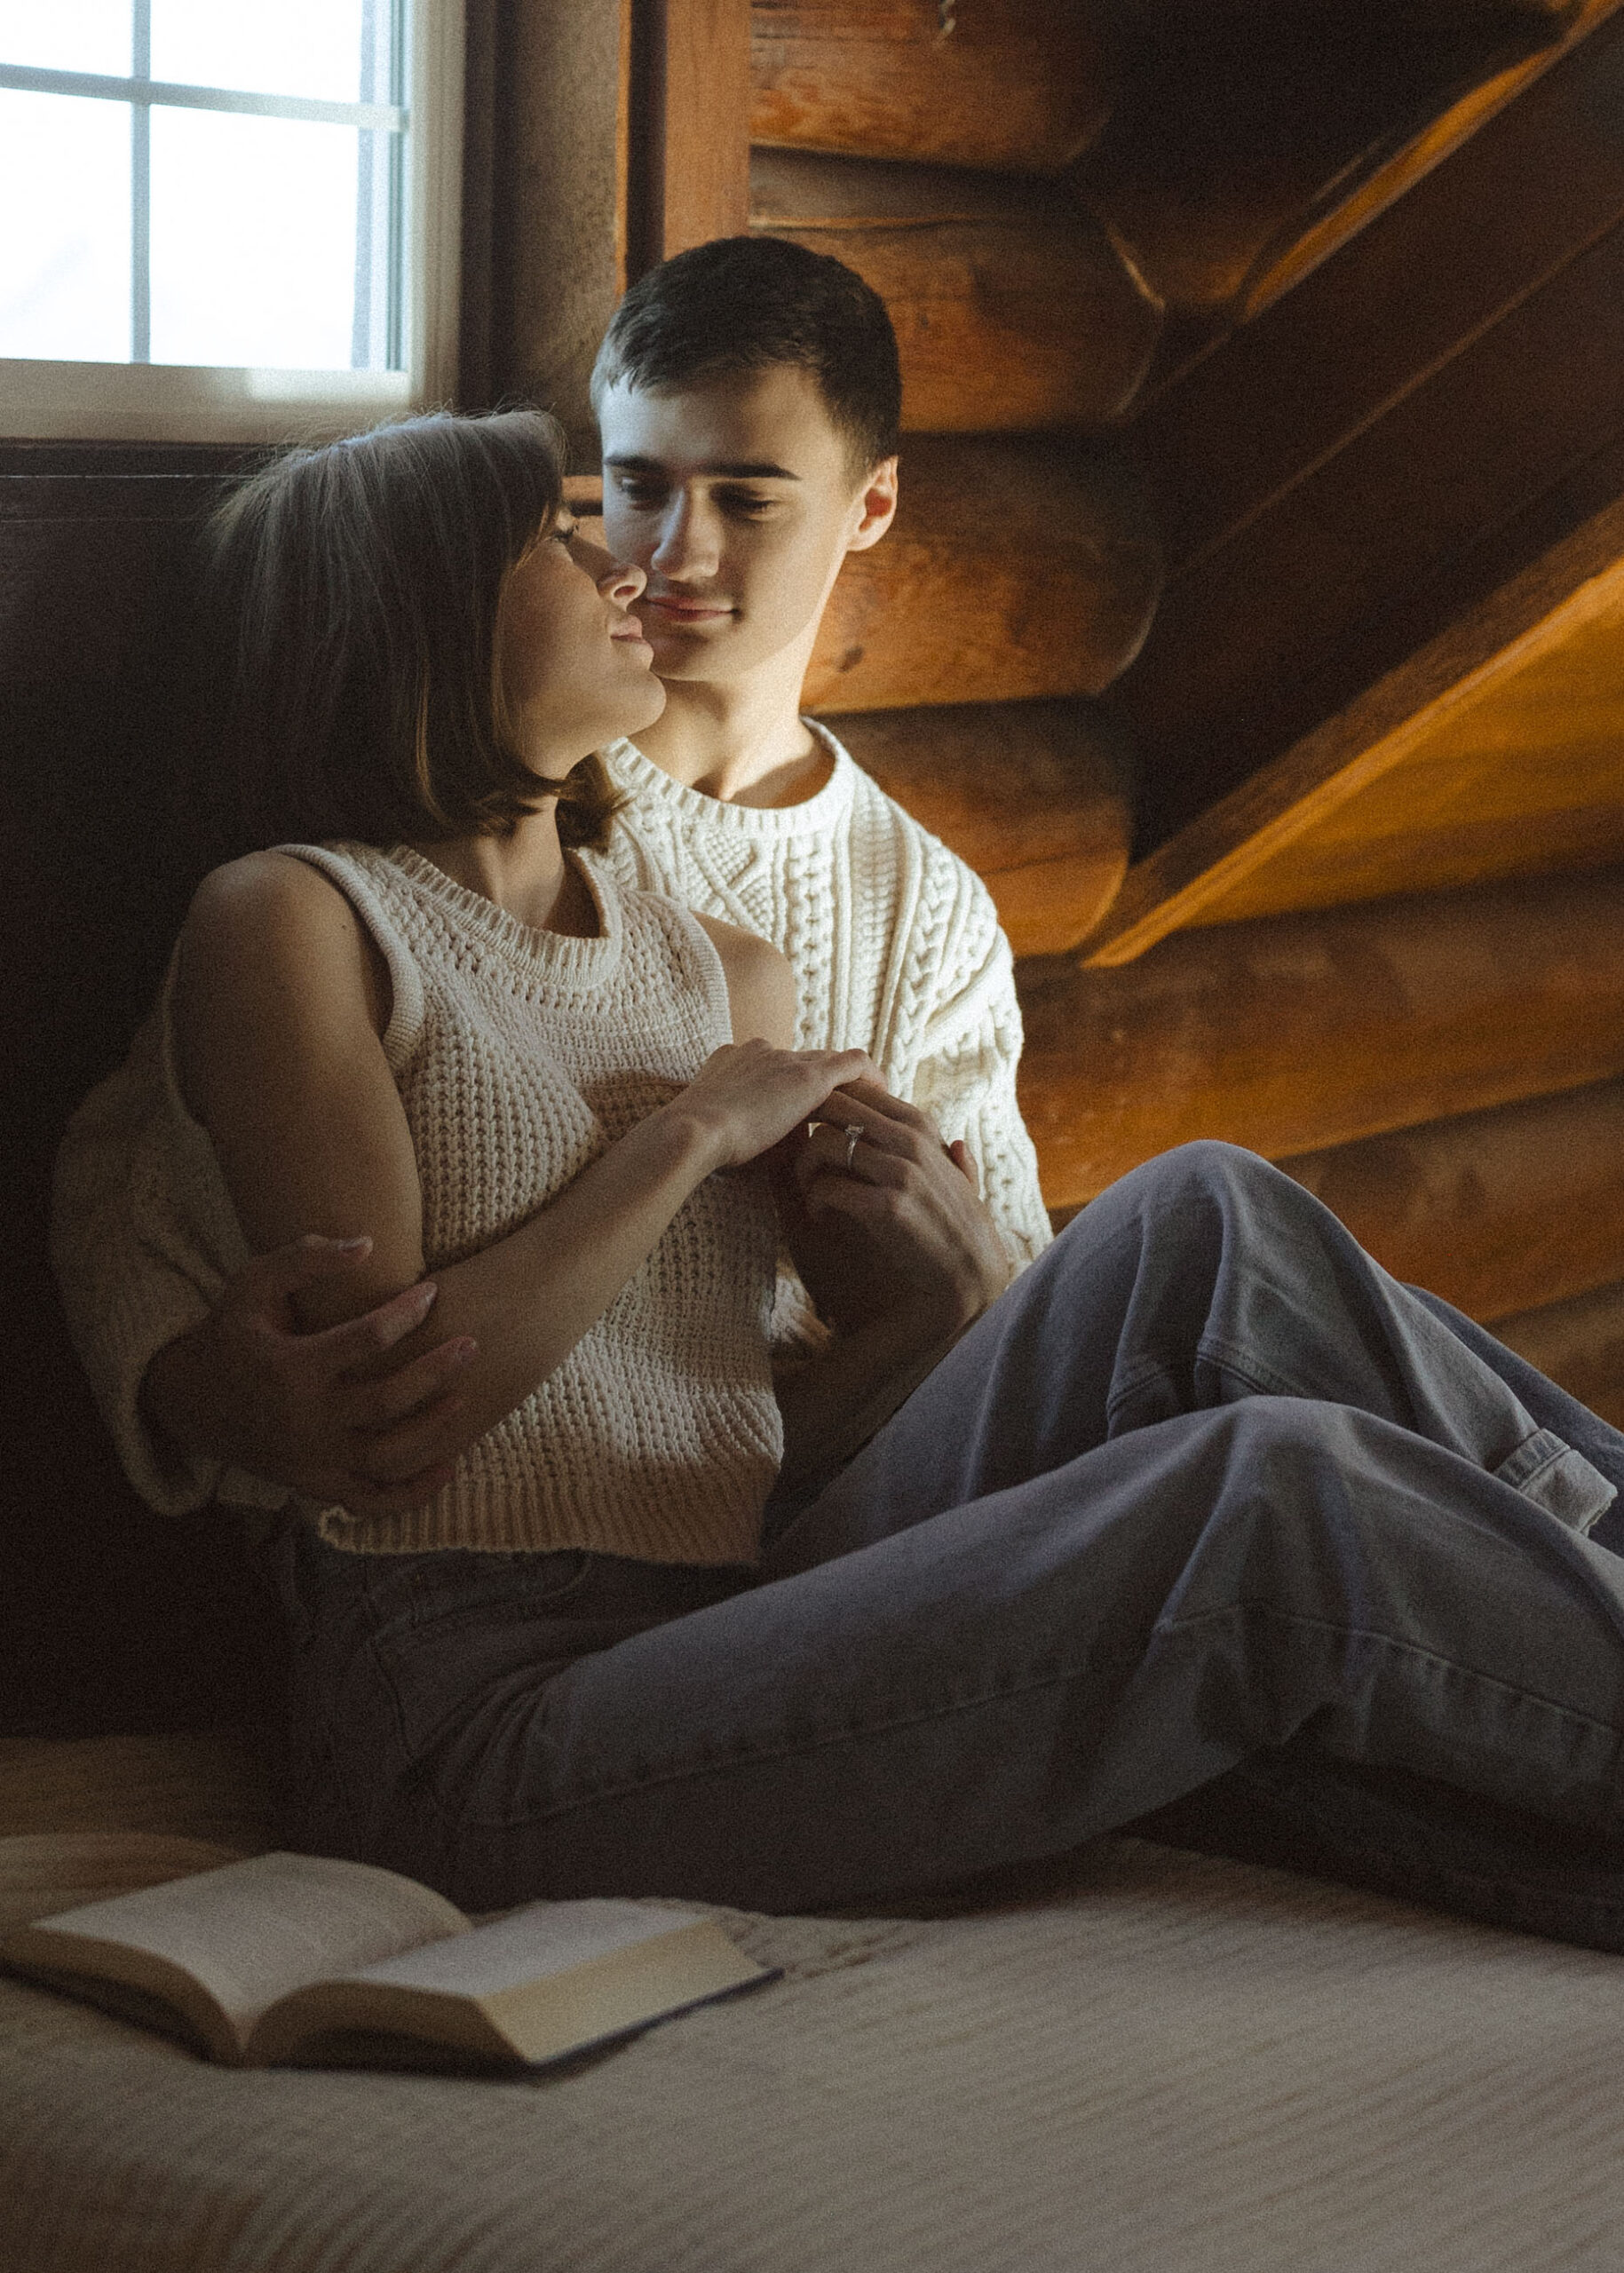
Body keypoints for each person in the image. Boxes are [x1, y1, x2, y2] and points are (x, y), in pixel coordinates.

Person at [52, 408, 1624, 1948]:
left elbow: (702, 1435)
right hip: (482, 1706)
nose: (617, 563)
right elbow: (395, 1417)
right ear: (402, 618)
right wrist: (682, 1140)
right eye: (550, 532)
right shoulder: (296, 917)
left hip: (737, 1587)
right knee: (1270, 1494)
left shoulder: (718, 964)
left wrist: (911, 1320)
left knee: (1199, 1216)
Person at [53, 236, 1040, 1525]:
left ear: (869, 506)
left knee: (1210, 1275)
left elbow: (1005, 1279)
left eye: (747, 500)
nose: (672, 555)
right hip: (536, 1531)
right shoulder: (479, 783)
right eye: (632, 486)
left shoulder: (927, 910)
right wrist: (191, 1385)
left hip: (814, 1476)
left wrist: (968, 1286)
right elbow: (152, 1162)